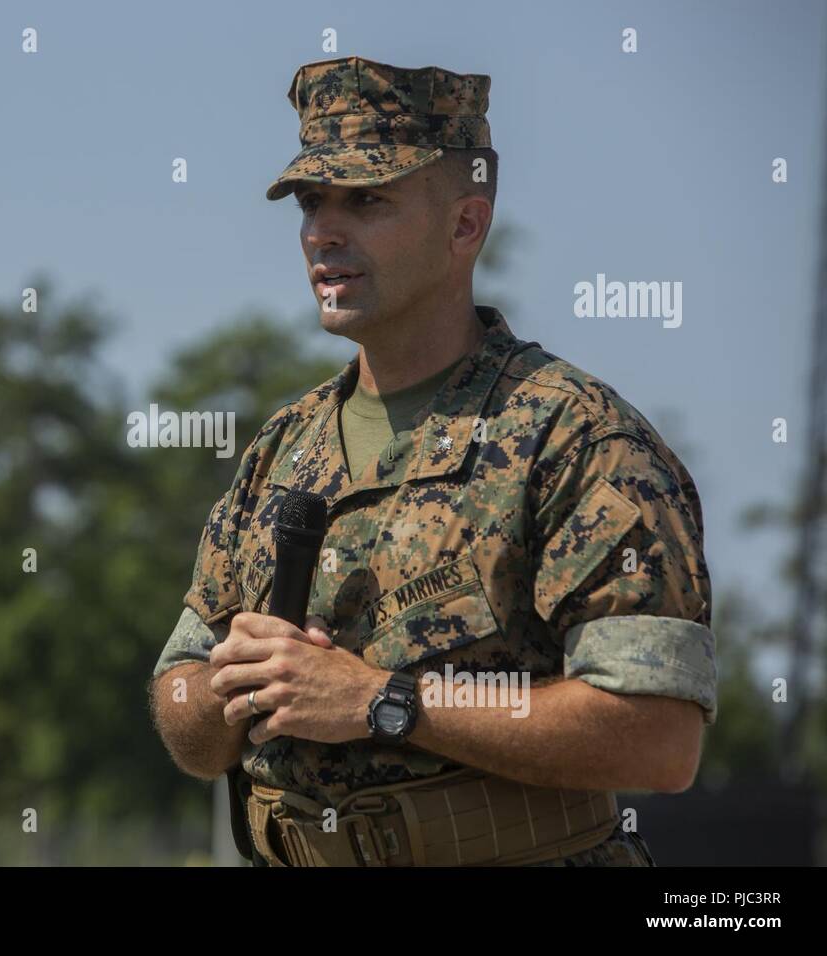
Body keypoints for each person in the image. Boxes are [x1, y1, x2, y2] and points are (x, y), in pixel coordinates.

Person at [148, 57, 716, 867]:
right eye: (312, 202)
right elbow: (183, 715)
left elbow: (660, 738)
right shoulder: (282, 449)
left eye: (367, 200)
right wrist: (229, 684)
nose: (322, 231)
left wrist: (383, 702)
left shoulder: (575, 438)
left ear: (465, 225)